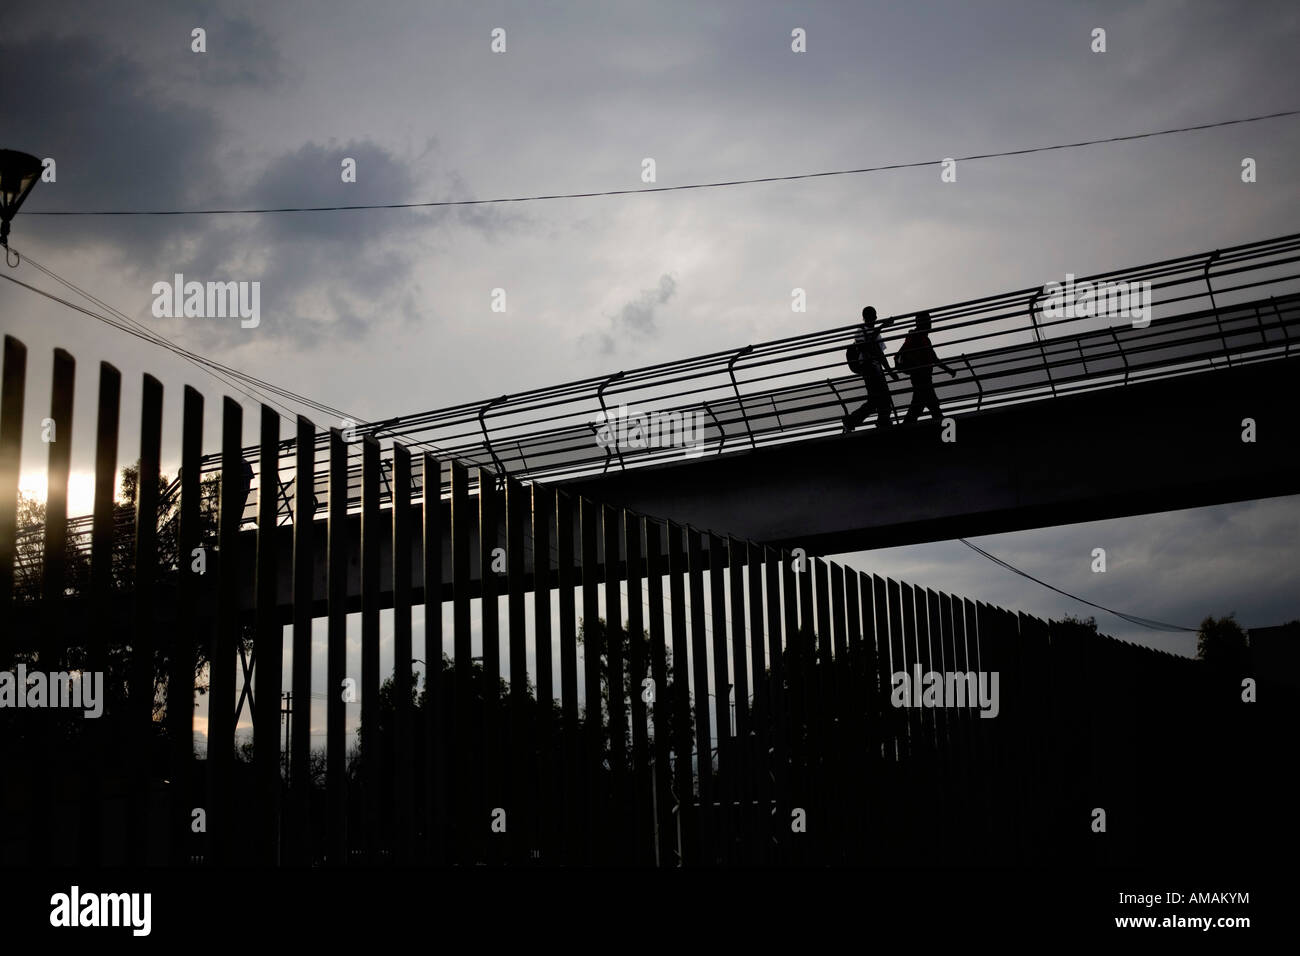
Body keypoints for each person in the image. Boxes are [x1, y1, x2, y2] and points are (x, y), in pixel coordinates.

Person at [842, 306, 899, 431]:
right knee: (877, 400)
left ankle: (879, 421)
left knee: (880, 400)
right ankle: (854, 420)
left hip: (877, 370)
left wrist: (889, 371)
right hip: (869, 369)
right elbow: (865, 347)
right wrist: (882, 327)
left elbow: (880, 354)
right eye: (873, 315)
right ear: (867, 317)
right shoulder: (860, 331)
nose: (875, 318)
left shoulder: (875, 333)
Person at [895, 311, 956, 424]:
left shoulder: (924, 339)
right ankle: (948, 435)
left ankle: (903, 431)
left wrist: (948, 370)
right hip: (921, 378)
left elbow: (934, 358)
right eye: (927, 321)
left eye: (929, 320)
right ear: (919, 323)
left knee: (919, 407)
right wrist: (948, 370)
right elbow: (900, 355)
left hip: (923, 377)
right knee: (932, 407)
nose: (930, 323)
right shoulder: (915, 337)